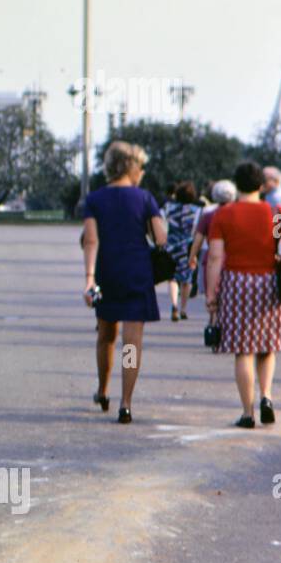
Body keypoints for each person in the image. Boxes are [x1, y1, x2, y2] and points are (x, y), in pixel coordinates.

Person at [206, 161, 281, 428]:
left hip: (236, 283)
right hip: (268, 282)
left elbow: (215, 257)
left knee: (243, 351)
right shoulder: (274, 213)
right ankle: (267, 396)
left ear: (236, 184)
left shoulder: (224, 215)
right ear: (261, 186)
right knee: (266, 346)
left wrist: (210, 293)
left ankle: (248, 413)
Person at [81, 141, 167, 425]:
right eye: (140, 167)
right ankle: (126, 403)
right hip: (138, 273)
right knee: (131, 344)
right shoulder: (144, 198)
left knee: (106, 335)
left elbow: (90, 241)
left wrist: (90, 279)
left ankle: (102, 390)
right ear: (131, 167)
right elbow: (161, 238)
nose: (142, 172)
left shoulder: (94, 200)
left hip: (107, 272)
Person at [189, 179, 236, 293]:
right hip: (233, 259)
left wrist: (192, 256)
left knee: (212, 296)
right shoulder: (273, 206)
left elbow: (198, 238)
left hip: (212, 257)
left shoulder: (209, 213)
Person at [162, 181, 200, 321]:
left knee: (172, 278)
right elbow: (196, 231)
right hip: (187, 246)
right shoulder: (196, 211)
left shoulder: (169, 208)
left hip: (171, 245)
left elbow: (163, 222)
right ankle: (184, 308)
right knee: (186, 279)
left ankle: (174, 305)